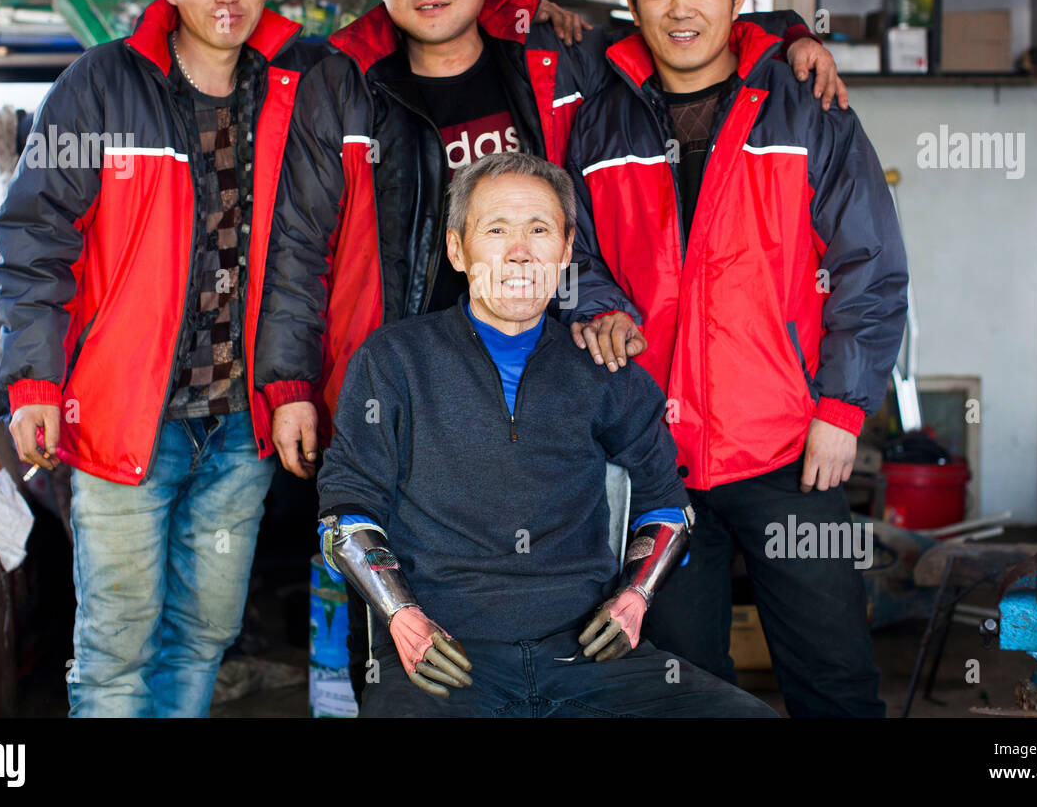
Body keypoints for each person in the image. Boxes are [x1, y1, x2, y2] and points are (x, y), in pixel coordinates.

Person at [252, 0, 846, 694]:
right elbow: (297, 244)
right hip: (398, 376)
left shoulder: (554, 60)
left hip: (547, 364)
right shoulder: (347, 80)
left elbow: (682, 28)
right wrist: (290, 383)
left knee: (562, 569)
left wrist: (794, 37)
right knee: (385, 593)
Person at [563, 0, 909, 717]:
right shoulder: (595, 120)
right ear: (633, 0)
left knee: (833, 673)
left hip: (791, 445)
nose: (681, 9)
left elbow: (872, 264)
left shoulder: (806, 105)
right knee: (684, 683)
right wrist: (601, 302)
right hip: (652, 457)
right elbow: (567, 254)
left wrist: (843, 408)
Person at [0, 0, 329, 717]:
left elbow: (301, 256)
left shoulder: (292, 90)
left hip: (238, 429)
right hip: (124, 417)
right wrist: (33, 381)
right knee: (116, 641)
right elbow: (35, 233)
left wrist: (290, 389)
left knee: (205, 630)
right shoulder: (101, 85)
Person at [315, 151, 777, 717]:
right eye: (497, 230)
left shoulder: (602, 368)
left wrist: (635, 599)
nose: (520, 251)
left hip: (587, 658)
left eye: (539, 230)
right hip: (444, 655)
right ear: (458, 249)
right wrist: (404, 620)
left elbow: (668, 505)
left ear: (564, 250)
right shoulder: (394, 361)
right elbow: (345, 511)